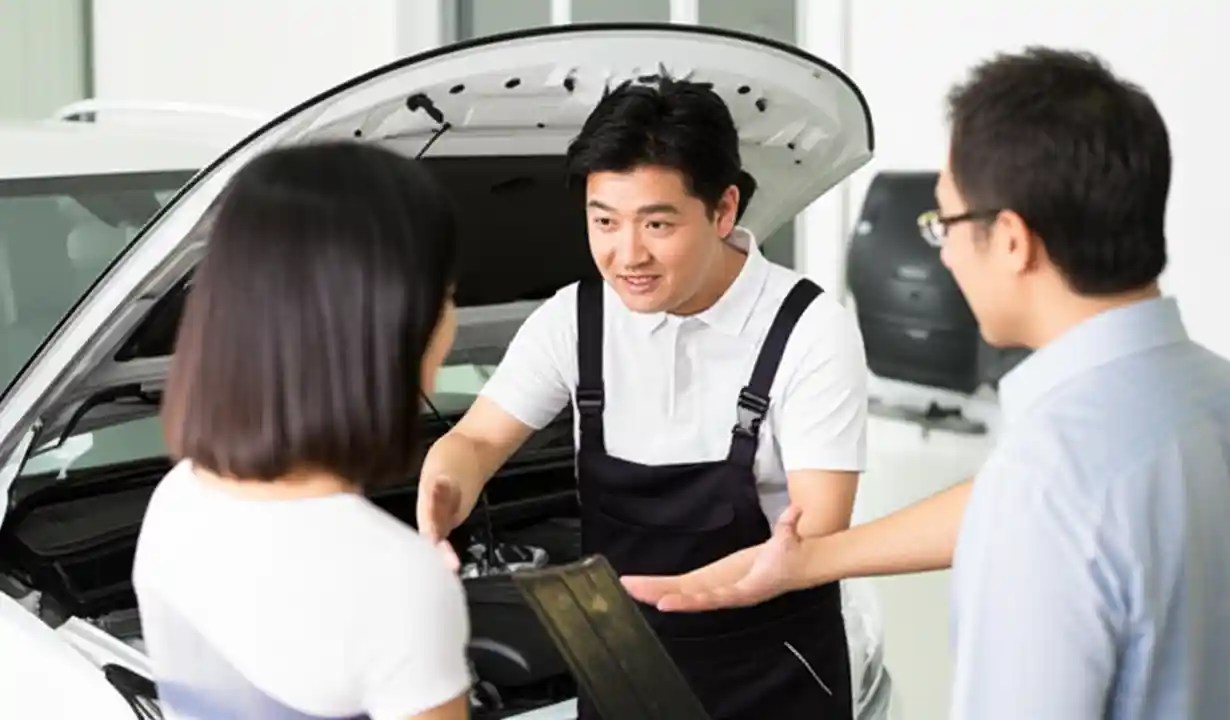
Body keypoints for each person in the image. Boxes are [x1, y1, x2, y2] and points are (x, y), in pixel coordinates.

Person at [622, 47, 1230, 720]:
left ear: (1013, 242)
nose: (949, 253)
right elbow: (1032, 501)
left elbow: (1038, 505)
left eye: (946, 225)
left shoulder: (1048, 483)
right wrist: (804, 562)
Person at [417, 77, 868, 719]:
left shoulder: (809, 330)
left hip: (773, 675)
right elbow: (479, 440)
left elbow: (818, 533)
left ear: (723, 209)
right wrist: (444, 490)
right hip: (619, 673)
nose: (627, 255)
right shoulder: (577, 318)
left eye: (657, 224)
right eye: (604, 222)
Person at [133, 142, 471, 720]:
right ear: (387, 326)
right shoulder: (396, 584)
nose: (452, 323)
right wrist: (414, 595)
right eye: (445, 297)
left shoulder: (178, 497)